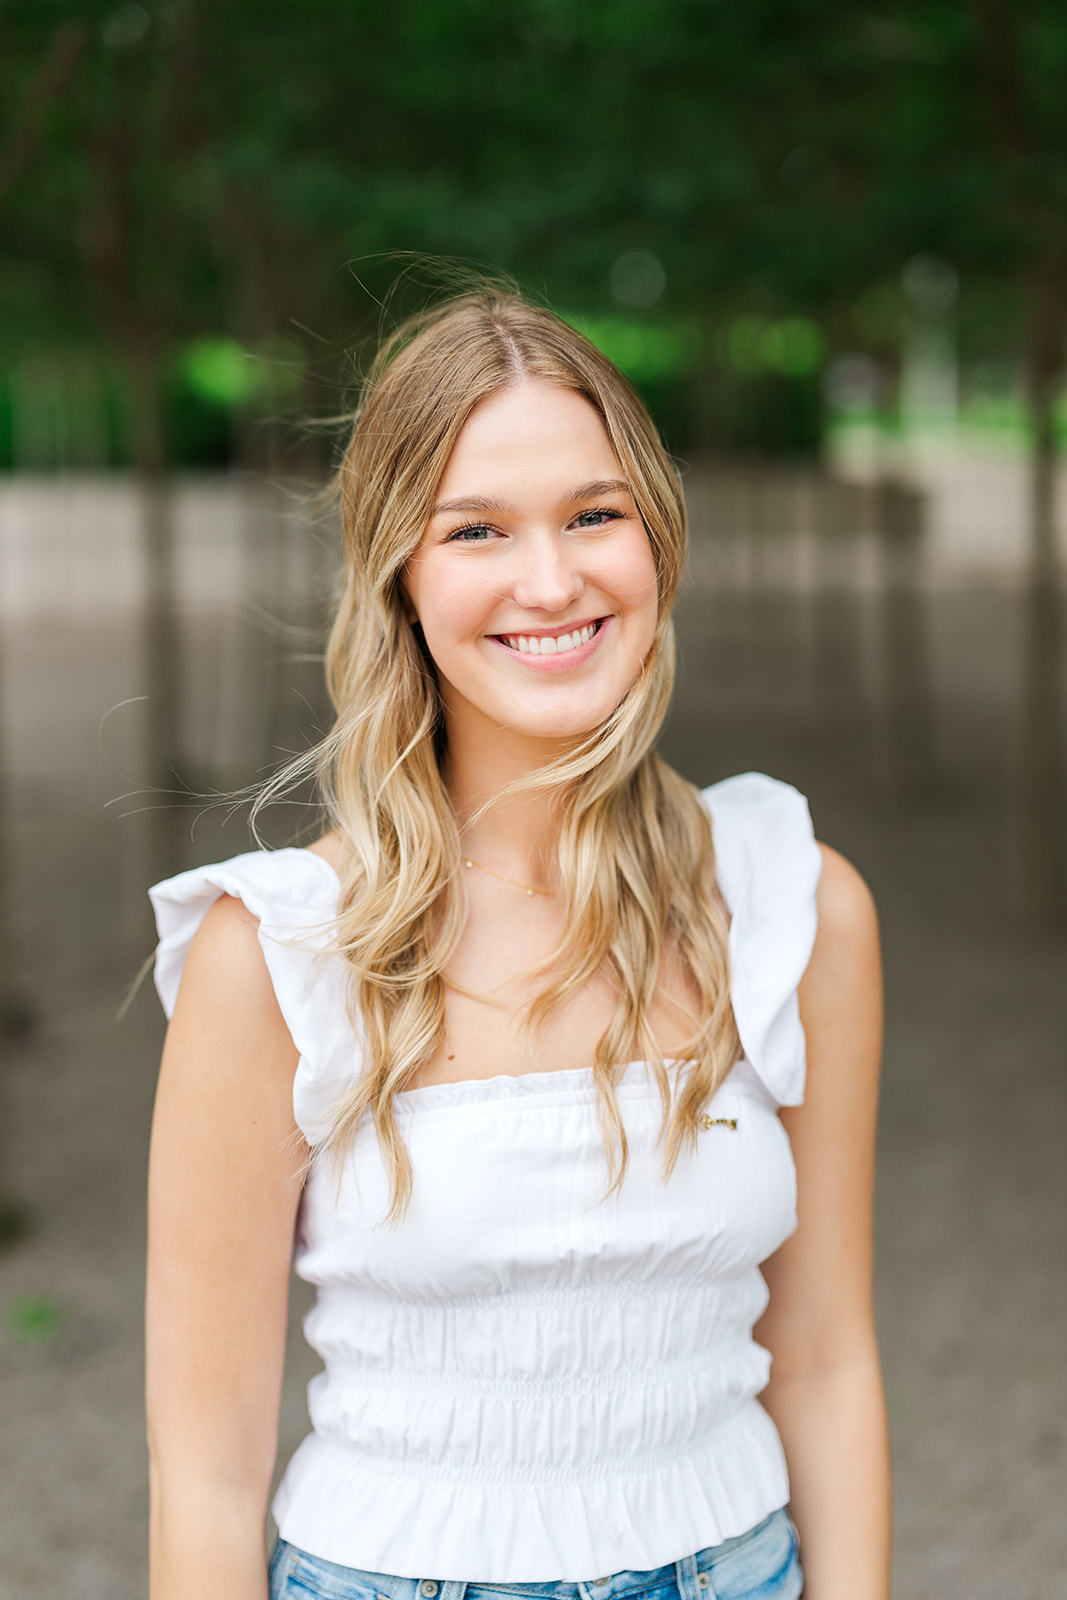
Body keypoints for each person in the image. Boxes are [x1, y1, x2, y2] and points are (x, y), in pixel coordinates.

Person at [145, 291, 890, 1600]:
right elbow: (205, 1479)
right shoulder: (277, 953)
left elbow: (828, 1362)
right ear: (400, 575)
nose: (551, 582)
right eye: (477, 530)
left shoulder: (793, 906)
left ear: (657, 538)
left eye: (594, 515)